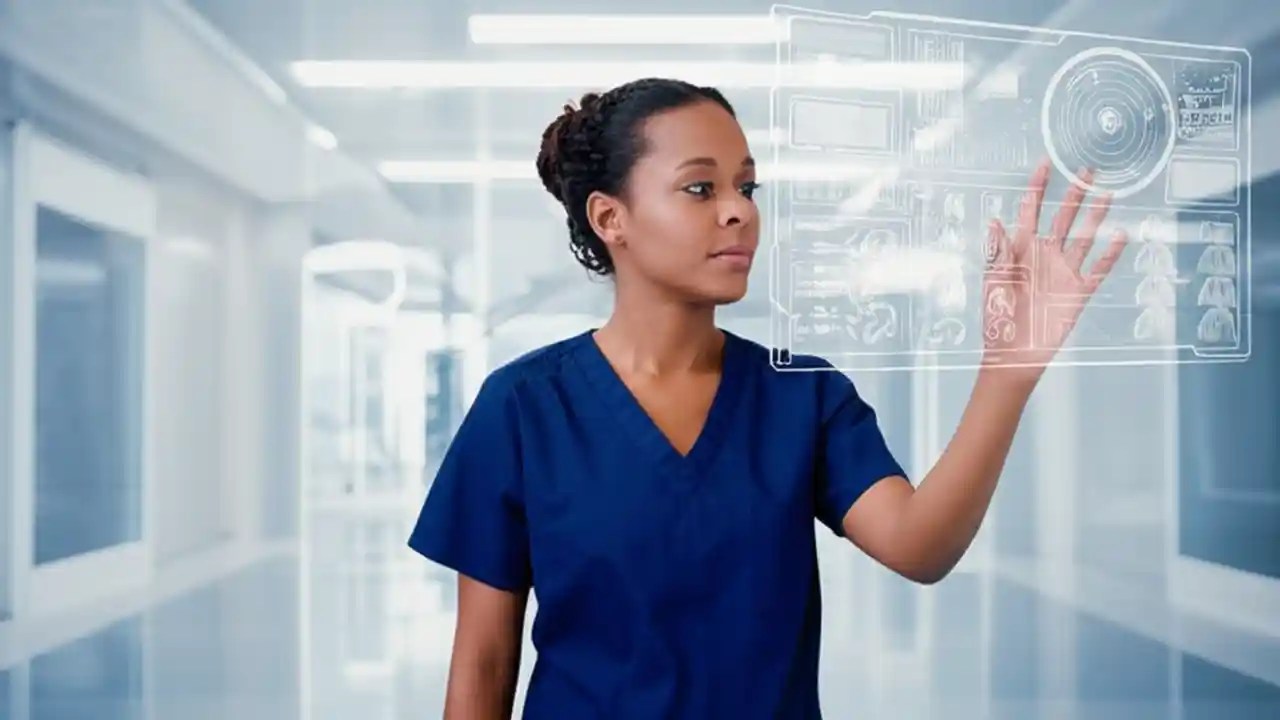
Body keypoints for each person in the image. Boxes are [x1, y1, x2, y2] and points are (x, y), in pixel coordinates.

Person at [407, 78, 1127, 719]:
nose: (739, 214)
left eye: (746, 189)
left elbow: (921, 546)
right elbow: (483, 662)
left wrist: (1009, 370)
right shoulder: (525, 408)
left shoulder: (802, 397)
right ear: (609, 218)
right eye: (700, 189)